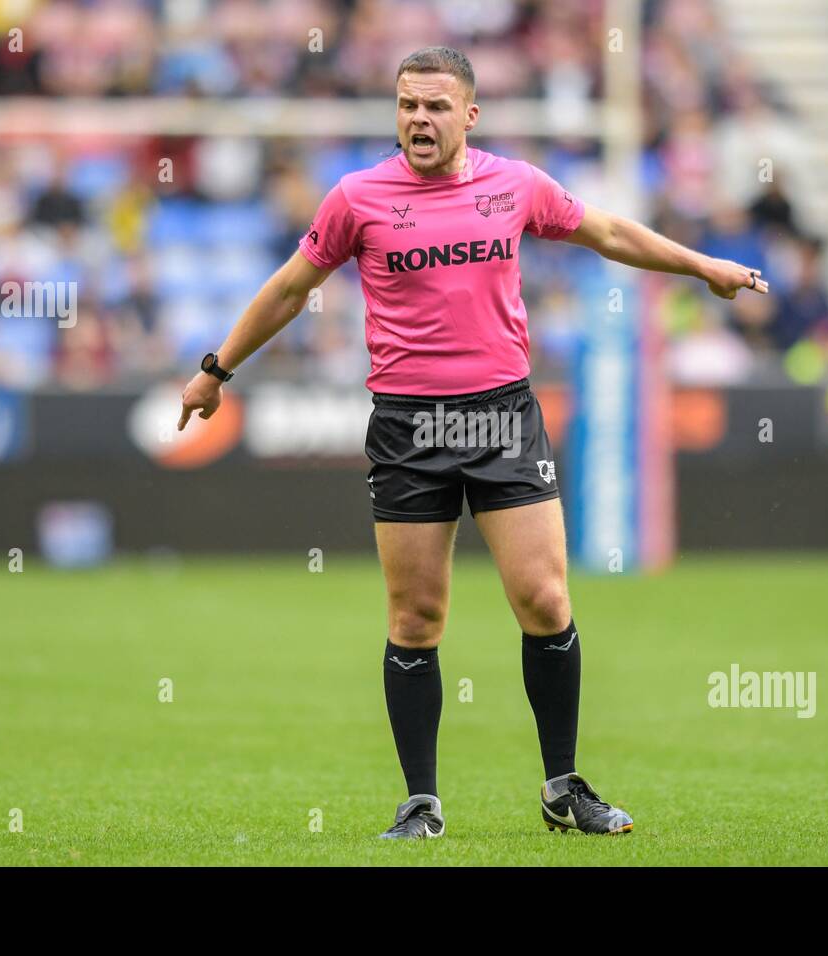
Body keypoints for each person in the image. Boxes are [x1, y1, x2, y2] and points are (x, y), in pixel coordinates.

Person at [177, 46, 768, 839]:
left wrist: (703, 268)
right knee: (416, 617)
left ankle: (563, 787)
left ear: (469, 115)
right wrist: (216, 369)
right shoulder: (356, 198)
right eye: (407, 106)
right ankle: (420, 802)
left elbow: (608, 231)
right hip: (409, 424)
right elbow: (290, 289)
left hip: (500, 418)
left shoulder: (514, 185)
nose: (419, 120)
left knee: (546, 599)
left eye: (435, 107)